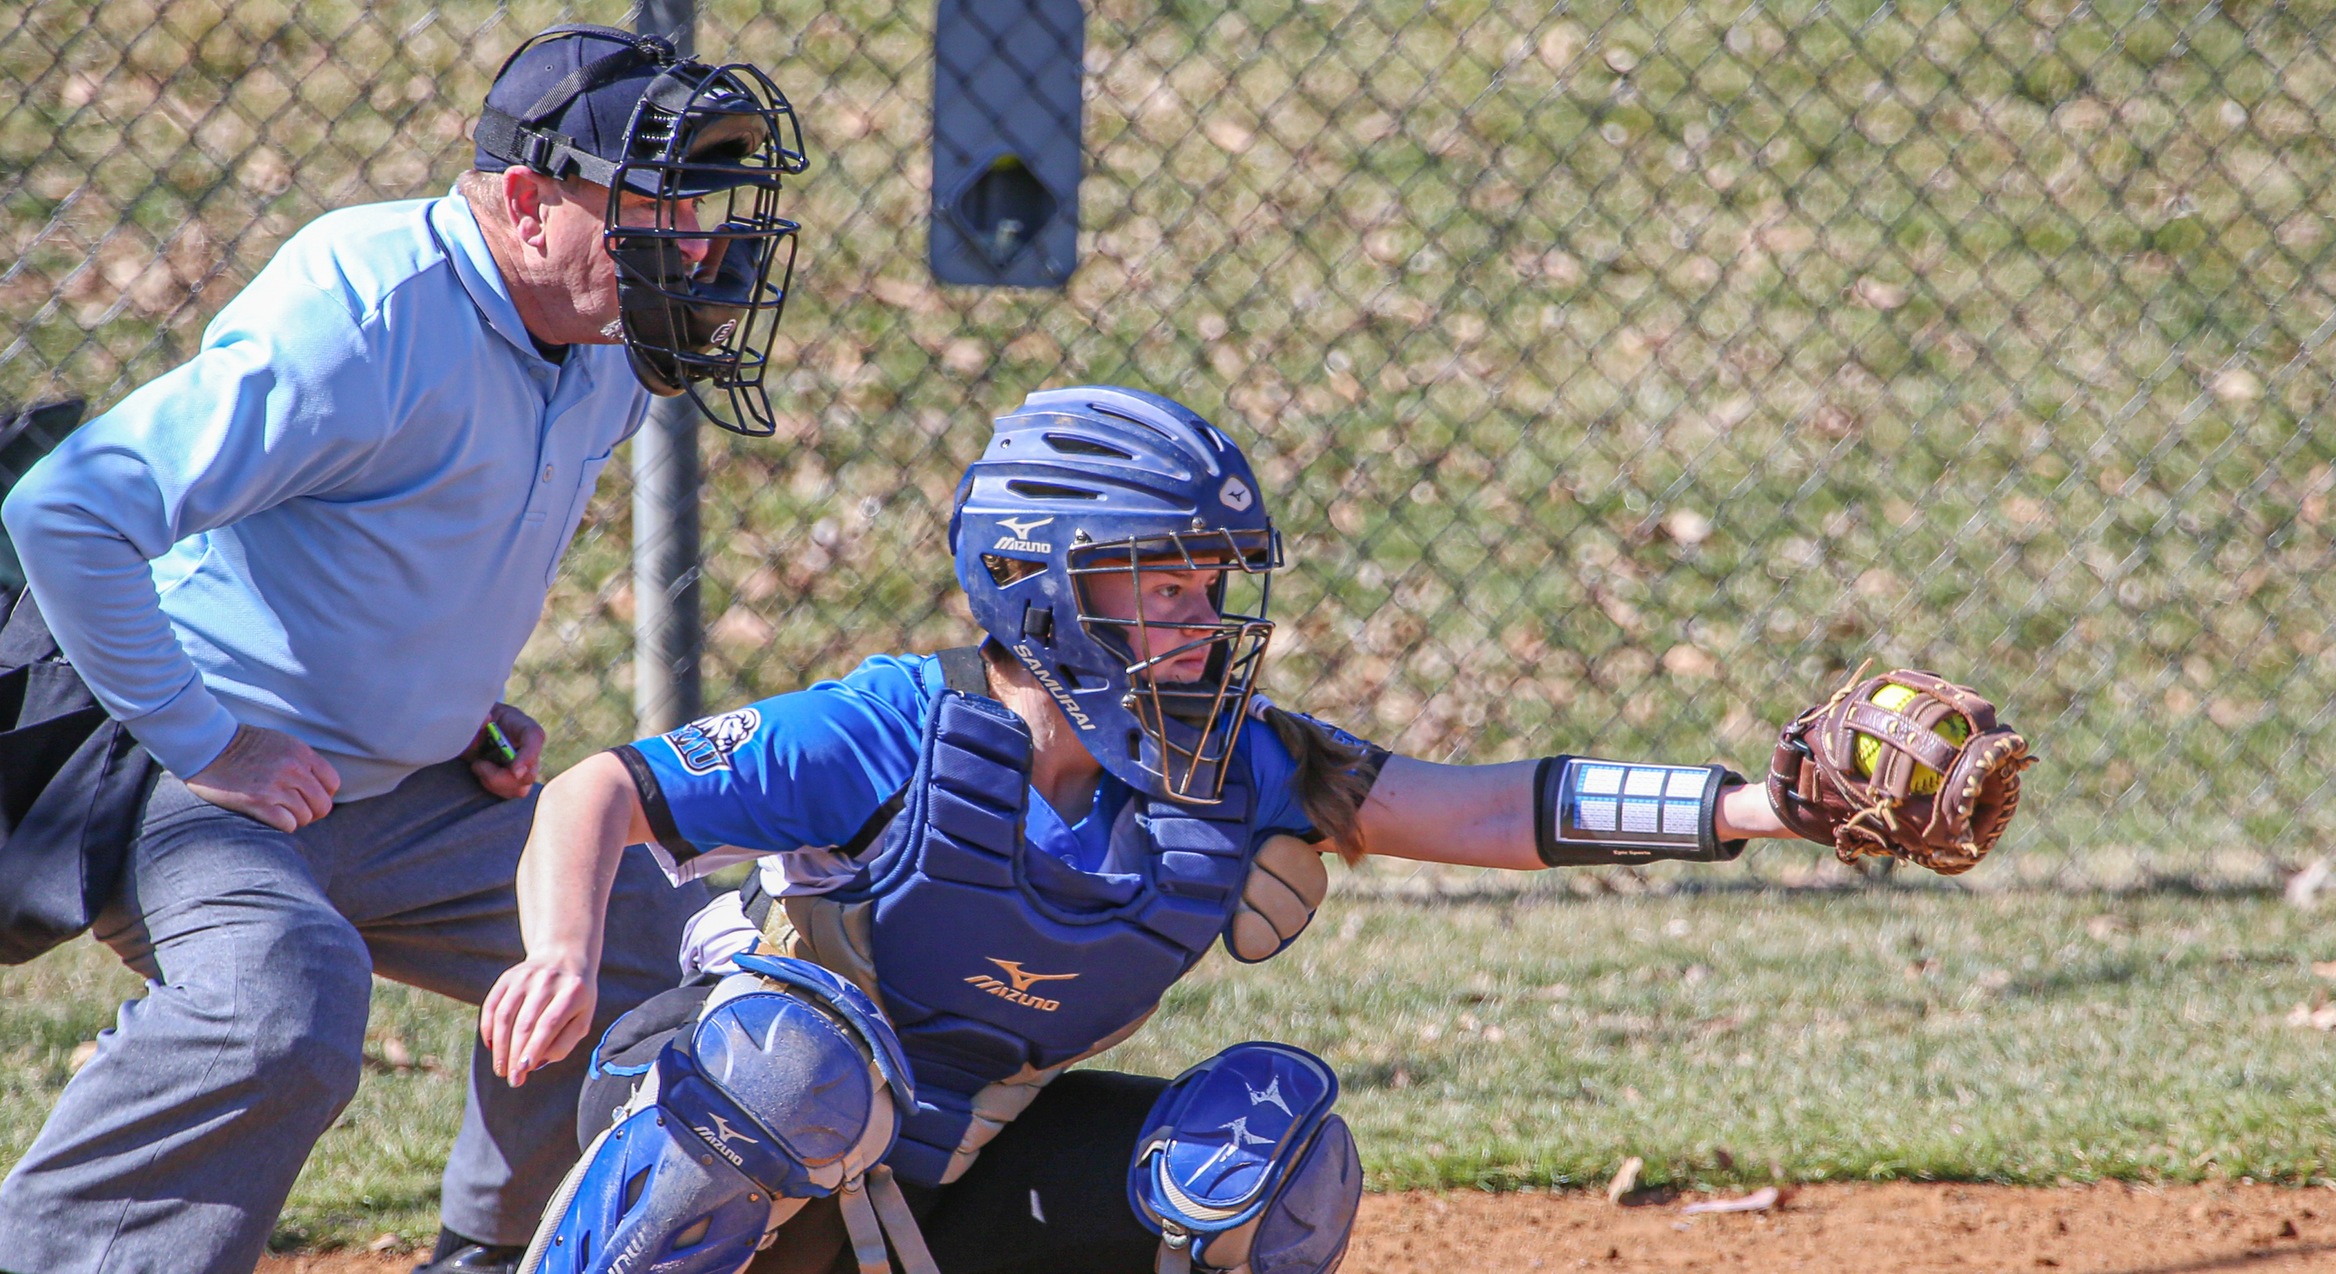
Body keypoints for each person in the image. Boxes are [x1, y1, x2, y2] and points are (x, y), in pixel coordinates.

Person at [475, 386, 1819, 1274]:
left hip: (957, 1162)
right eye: (1159, 584)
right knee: (797, 1070)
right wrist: (565, 954)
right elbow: (601, 788)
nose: (1197, 619)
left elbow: (1477, 804)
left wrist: (1763, 805)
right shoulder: (894, 724)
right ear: (1038, 588)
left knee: (1272, 1157)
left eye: (1206, 584)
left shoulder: (1235, 764)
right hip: (728, 1130)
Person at [0, 25, 811, 1274]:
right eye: (656, 212)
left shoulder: (600, 336)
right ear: (528, 204)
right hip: (189, 771)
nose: (698, 250)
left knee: (658, 950)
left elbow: (407, 539)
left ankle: (495, 1251)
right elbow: (62, 509)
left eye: (702, 212)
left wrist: (459, 701)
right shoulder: (361, 315)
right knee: (281, 1004)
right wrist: (207, 739)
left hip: (397, 783)